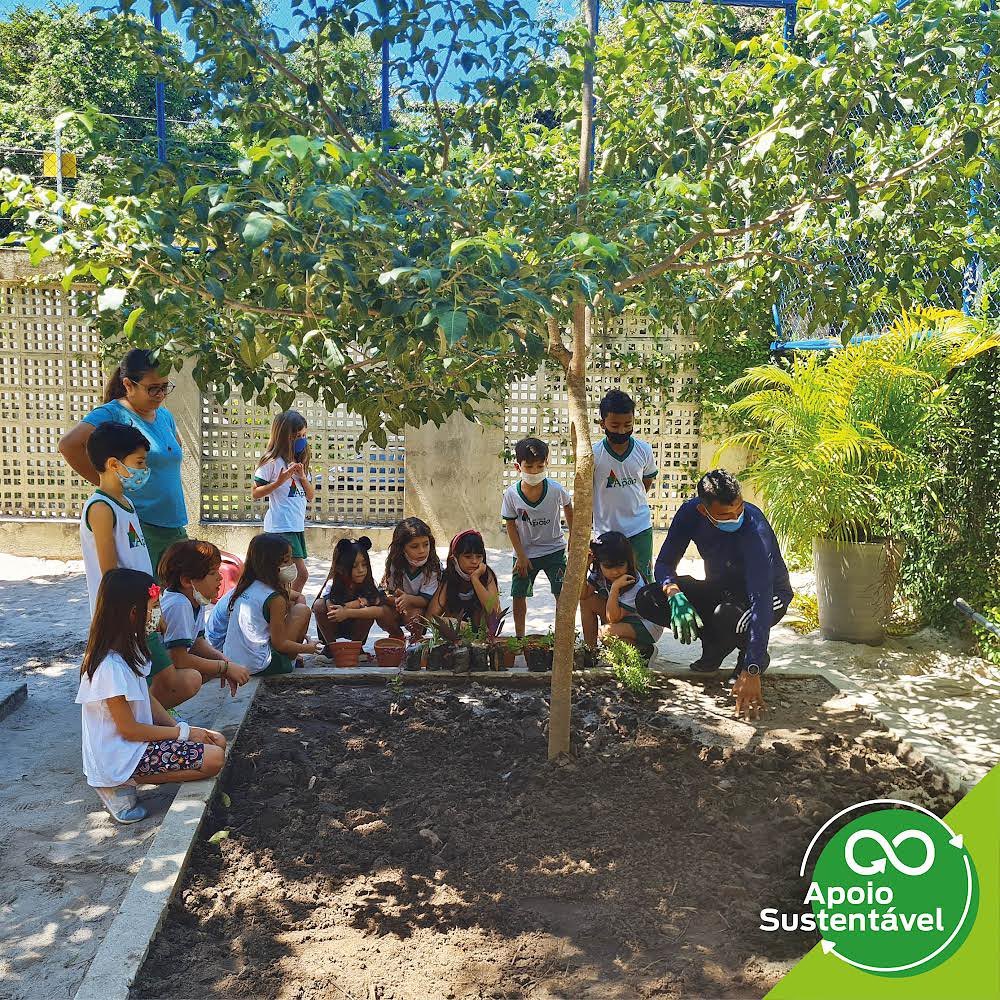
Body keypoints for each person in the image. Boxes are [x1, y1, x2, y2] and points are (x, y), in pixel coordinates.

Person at [76, 568, 227, 824]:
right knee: (213, 759)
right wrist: (183, 735)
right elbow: (130, 730)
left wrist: (182, 728)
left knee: (217, 741)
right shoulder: (108, 667)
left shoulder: (132, 648)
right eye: (154, 607)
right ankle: (118, 783)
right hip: (121, 755)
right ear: (133, 614)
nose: (159, 614)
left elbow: (147, 699)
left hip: (136, 746)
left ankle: (136, 776)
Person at [653, 469, 793, 719]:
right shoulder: (689, 514)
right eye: (725, 514)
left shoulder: (754, 528)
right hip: (723, 590)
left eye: (738, 509)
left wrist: (752, 669)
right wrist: (674, 593)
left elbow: (760, 601)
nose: (735, 516)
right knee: (651, 598)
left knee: (729, 616)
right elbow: (664, 563)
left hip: (768, 596)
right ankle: (714, 649)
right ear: (703, 511)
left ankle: (750, 658)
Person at [59, 349, 188, 578]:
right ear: (129, 385)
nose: (160, 394)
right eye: (152, 388)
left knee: (178, 601)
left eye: (165, 387)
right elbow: (69, 445)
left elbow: (171, 456)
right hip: (140, 523)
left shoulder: (164, 416)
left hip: (174, 524)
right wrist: (111, 487)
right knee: (148, 600)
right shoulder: (112, 413)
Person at [158, 539, 251, 706]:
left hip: (164, 670)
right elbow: (178, 658)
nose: (220, 577)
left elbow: (197, 642)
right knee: (192, 678)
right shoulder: (179, 604)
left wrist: (226, 662)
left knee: (209, 666)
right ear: (187, 581)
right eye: (212, 573)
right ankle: (151, 717)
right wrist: (224, 667)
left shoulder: (195, 598)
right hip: (152, 676)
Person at [501, 437, 574, 638]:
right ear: (518, 467)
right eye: (529, 466)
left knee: (562, 594)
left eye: (540, 466)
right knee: (518, 594)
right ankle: (520, 637)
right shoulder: (511, 495)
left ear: (547, 464)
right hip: (525, 554)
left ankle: (561, 637)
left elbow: (568, 506)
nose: (534, 472)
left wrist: (573, 537)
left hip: (554, 550)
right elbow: (510, 525)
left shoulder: (556, 490)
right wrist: (521, 555)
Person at [79, 423, 154, 615]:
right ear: (113, 464)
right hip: (119, 611)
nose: (144, 469)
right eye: (139, 462)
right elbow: (110, 574)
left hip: (139, 605)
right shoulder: (101, 509)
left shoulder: (126, 502)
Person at [224, 532, 324, 675]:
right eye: (286, 561)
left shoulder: (247, 585)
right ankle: (289, 662)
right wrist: (309, 648)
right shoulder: (275, 598)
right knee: (302, 610)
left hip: (233, 661)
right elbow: (280, 644)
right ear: (270, 565)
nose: (292, 565)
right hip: (259, 666)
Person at [591, 390, 658, 581]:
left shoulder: (644, 450)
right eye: (615, 425)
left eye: (627, 425)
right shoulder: (593, 455)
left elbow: (646, 482)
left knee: (642, 580)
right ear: (602, 423)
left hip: (639, 528)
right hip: (605, 532)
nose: (621, 430)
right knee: (605, 583)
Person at [252, 410, 314, 595]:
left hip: (296, 527)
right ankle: (286, 604)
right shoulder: (271, 462)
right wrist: (278, 482)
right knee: (299, 574)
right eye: (297, 437)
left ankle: (284, 605)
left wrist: (302, 477)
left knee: (284, 577)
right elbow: (255, 493)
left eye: (304, 435)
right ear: (284, 437)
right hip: (280, 528)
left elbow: (310, 495)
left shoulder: (301, 462)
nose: (302, 440)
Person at [580, 531, 662, 657]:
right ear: (598, 562)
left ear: (628, 562)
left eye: (620, 565)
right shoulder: (599, 573)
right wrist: (584, 566)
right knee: (586, 601)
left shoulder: (633, 583)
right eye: (608, 566)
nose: (615, 572)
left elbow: (613, 618)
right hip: (625, 617)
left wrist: (614, 589)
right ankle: (590, 652)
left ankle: (644, 651)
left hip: (646, 625)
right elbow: (583, 595)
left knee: (605, 634)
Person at [314, 536, 393, 653]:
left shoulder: (370, 583)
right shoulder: (332, 584)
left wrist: (350, 607)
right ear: (341, 568)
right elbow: (331, 607)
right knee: (319, 605)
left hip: (356, 625)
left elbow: (377, 601)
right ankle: (331, 647)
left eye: (364, 565)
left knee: (370, 609)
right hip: (335, 624)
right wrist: (359, 603)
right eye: (354, 566)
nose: (361, 570)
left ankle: (356, 648)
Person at [380, 517, 442, 640]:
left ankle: (417, 638)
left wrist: (408, 600)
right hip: (398, 606)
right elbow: (387, 591)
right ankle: (396, 635)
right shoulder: (394, 564)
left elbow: (427, 599)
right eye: (414, 546)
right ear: (402, 548)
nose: (422, 551)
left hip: (420, 610)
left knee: (415, 616)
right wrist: (396, 600)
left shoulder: (433, 567)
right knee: (382, 613)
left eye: (426, 544)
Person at [427, 530, 501, 630]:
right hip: (457, 636)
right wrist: (452, 623)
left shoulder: (487, 575)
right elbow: (430, 617)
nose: (474, 561)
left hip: (483, 634)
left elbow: (494, 612)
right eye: (468, 557)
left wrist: (475, 579)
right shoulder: (448, 578)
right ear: (454, 559)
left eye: (479, 557)